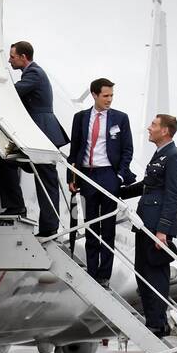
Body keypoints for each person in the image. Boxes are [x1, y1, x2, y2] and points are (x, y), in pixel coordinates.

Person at [0, 41, 70, 237]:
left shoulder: (33, 73)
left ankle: (47, 225)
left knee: (45, 178)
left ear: (23, 57)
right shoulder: (33, 72)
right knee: (9, 163)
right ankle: (22, 210)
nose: (10, 60)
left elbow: (13, 93)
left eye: (12, 56)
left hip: (40, 133)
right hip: (35, 133)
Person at [119, 114, 177, 334]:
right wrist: (117, 192)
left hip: (155, 226)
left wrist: (162, 231)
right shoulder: (160, 155)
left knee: (155, 274)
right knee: (142, 273)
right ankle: (152, 321)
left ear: (165, 131)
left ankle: (158, 323)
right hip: (144, 223)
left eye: (154, 125)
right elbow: (147, 186)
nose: (149, 128)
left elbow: (173, 196)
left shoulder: (174, 157)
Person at [67, 78, 135, 286]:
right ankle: (91, 271)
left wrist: (120, 177)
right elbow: (74, 151)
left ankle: (104, 275)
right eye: (105, 95)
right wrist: (72, 177)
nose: (109, 100)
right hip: (88, 174)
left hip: (108, 175)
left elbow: (127, 150)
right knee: (90, 227)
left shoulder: (120, 119)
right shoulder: (80, 118)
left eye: (112, 95)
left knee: (107, 228)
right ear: (94, 95)